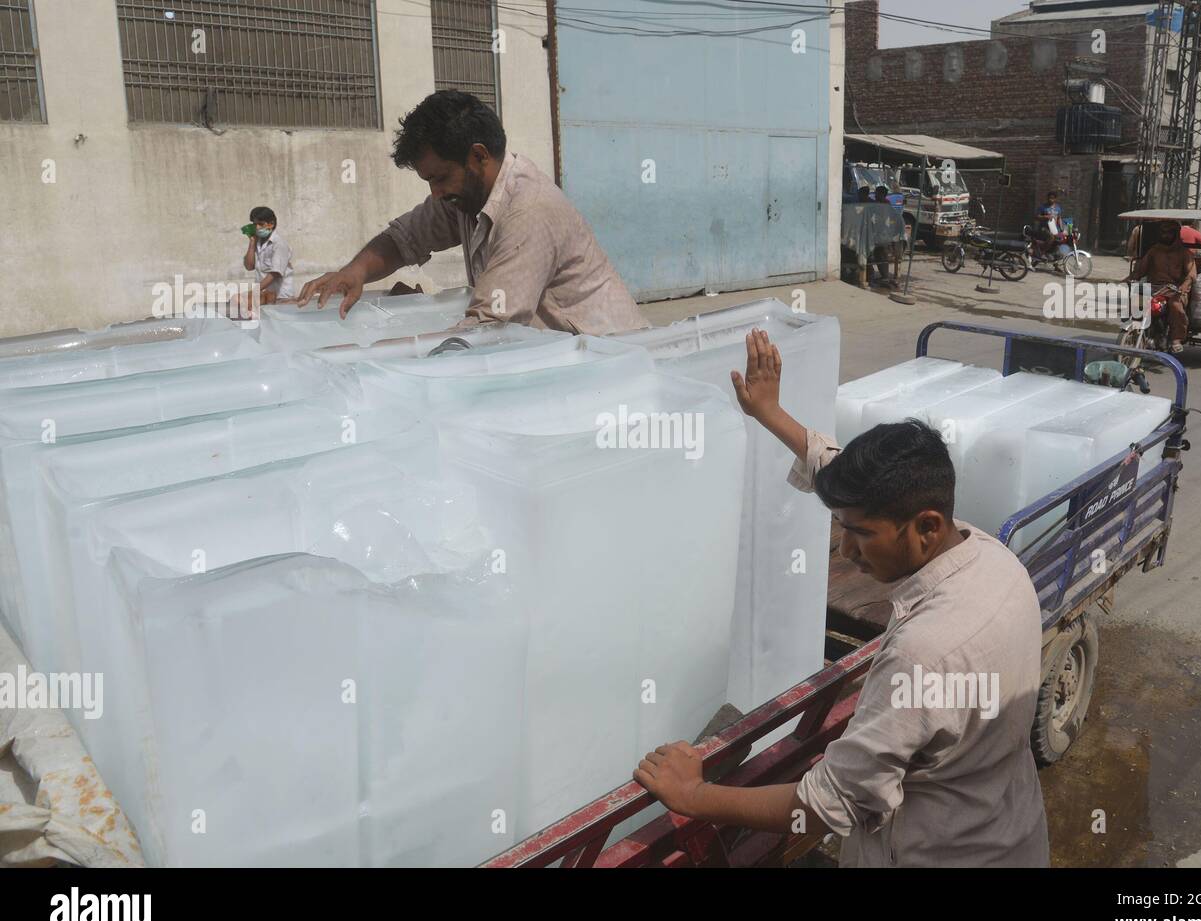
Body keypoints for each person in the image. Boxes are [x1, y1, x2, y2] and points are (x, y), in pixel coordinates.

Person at [634, 331, 1051, 867]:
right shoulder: (992, 556)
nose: (846, 548)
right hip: (1009, 834)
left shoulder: (925, 654)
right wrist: (769, 413)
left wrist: (693, 796)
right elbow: (838, 475)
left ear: (925, 526)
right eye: (839, 526)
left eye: (860, 533)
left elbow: (826, 805)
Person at [297, 91, 646, 335]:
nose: (434, 192)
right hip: (561, 358)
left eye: (440, 177)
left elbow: (488, 328)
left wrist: (390, 346)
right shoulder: (465, 197)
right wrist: (354, 271)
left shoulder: (530, 211)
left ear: (478, 156)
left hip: (611, 364)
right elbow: (405, 239)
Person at [1125, 219, 1196, 353]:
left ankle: (1176, 338)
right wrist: (1130, 278)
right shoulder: (1154, 251)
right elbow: (1141, 270)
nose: (1165, 235)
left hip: (1175, 290)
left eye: (1169, 233)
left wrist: (1184, 285)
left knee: (1175, 306)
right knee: (1136, 299)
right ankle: (1137, 329)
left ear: (1175, 234)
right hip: (1154, 288)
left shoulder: (1184, 253)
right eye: (1163, 232)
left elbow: (1191, 274)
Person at [242, 206, 295, 304]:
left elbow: (275, 273)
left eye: (261, 224)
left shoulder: (279, 244)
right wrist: (252, 242)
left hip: (281, 297)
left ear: (271, 224)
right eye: (255, 224)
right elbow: (249, 266)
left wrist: (254, 292)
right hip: (265, 297)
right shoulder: (258, 243)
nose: (257, 227)